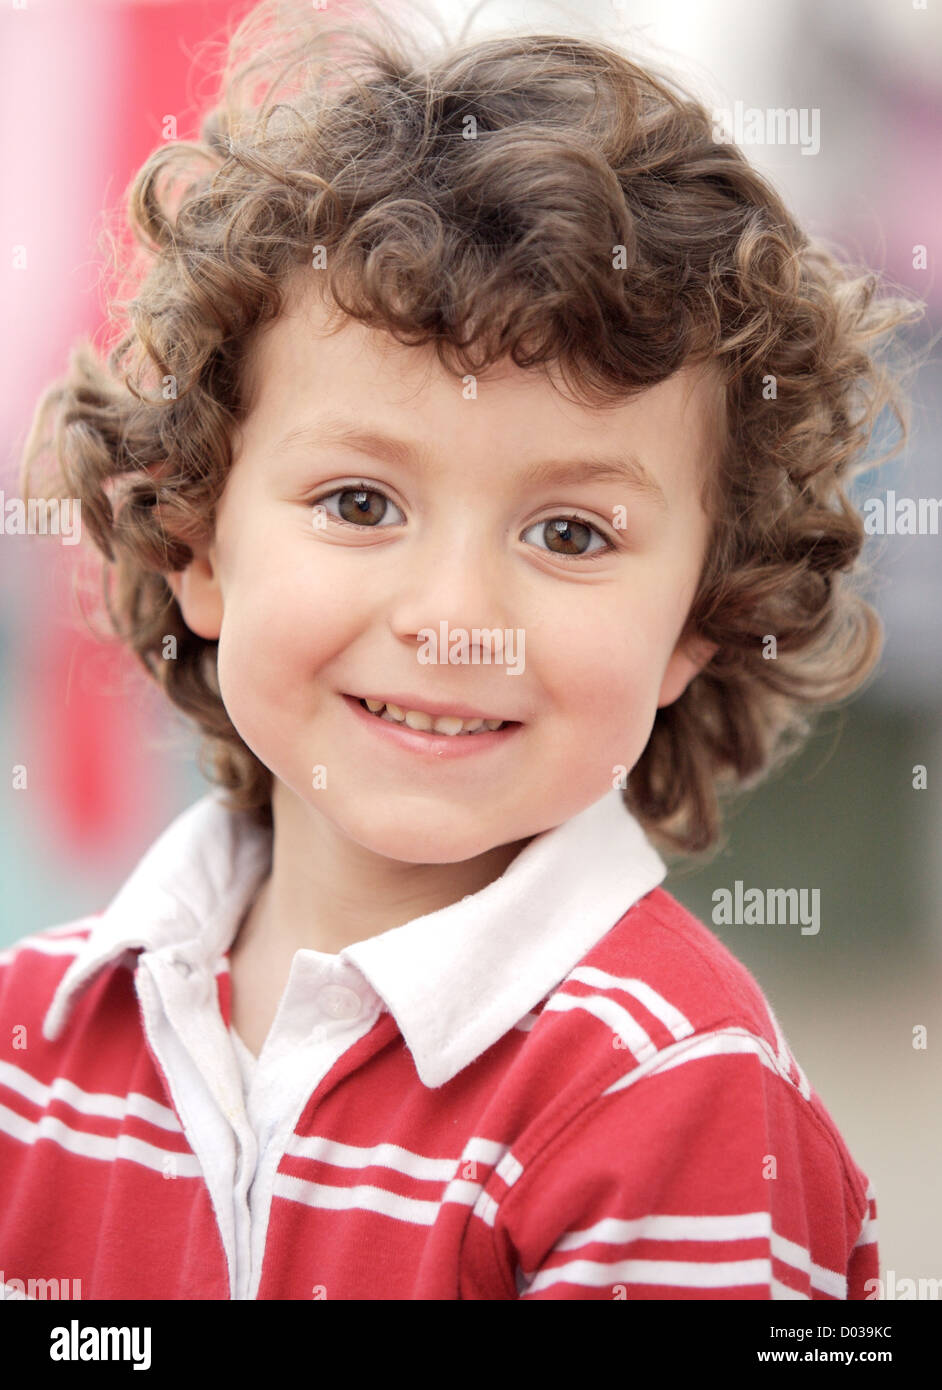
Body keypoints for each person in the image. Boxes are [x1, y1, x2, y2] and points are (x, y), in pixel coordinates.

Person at [2, 0, 921, 1299]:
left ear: (700, 617)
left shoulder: (674, 1095)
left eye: (568, 531)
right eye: (360, 503)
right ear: (196, 542)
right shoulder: (28, 1042)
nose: (456, 613)